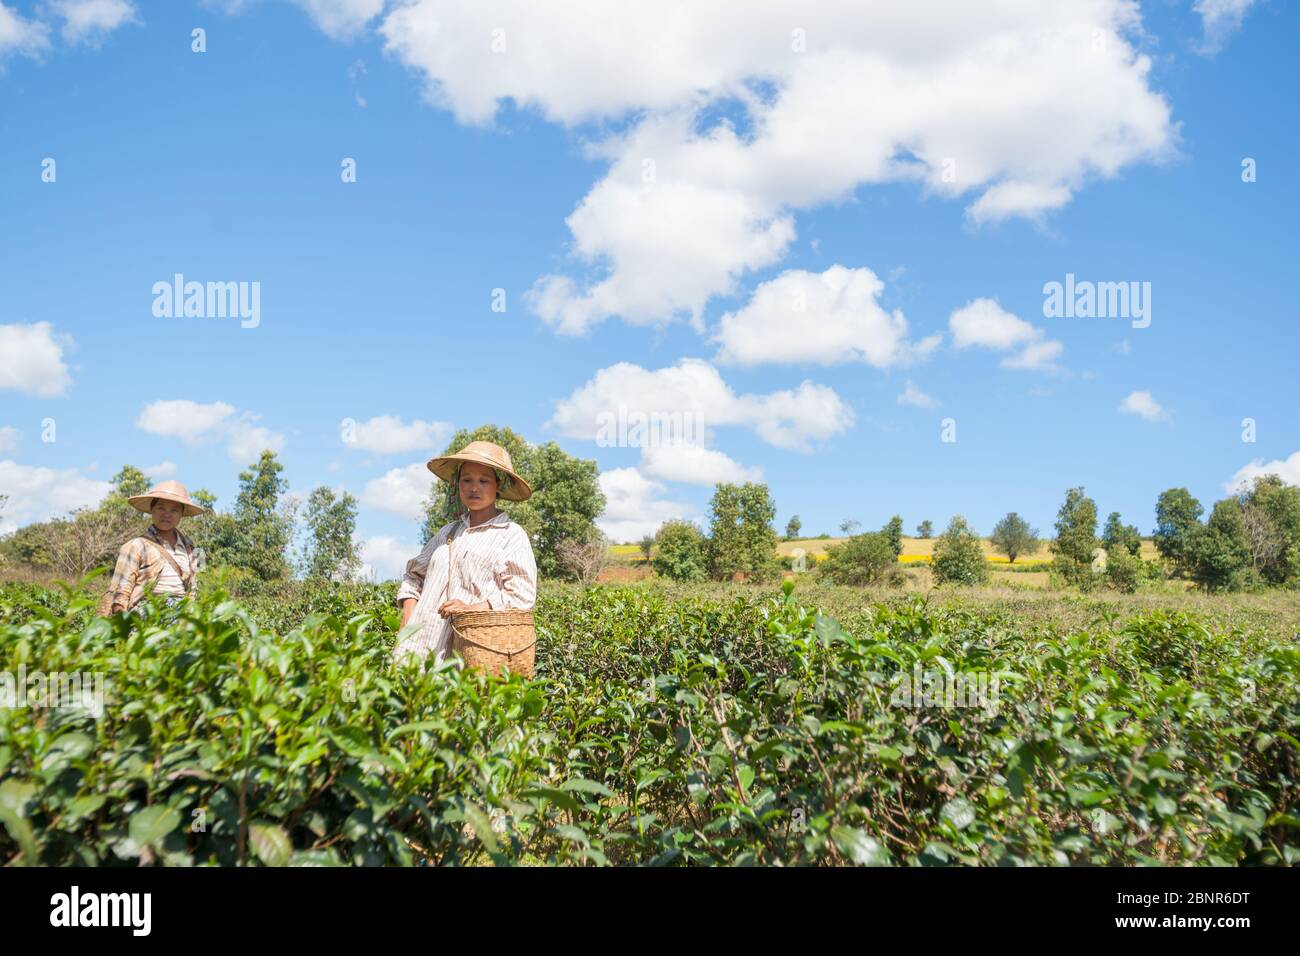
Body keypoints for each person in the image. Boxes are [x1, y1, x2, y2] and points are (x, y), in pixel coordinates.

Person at [392, 441, 537, 666]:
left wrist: (471, 609)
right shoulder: (447, 532)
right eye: (466, 480)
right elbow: (413, 577)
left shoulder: (511, 535)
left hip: (471, 652)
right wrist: (407, 622)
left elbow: (522, 595)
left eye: (483, 481)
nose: (474, 488)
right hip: (417, 653)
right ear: (458, 485)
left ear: (497, 485)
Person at [106, 480, 205, 615]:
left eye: (174, 510)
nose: (166, 514)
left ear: (181, 514)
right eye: (161, 508)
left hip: (181, 613)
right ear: (152, 510)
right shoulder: (136, 545)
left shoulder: (191, 549)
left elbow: (193, 589)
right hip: (147, 610)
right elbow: (121, 592)